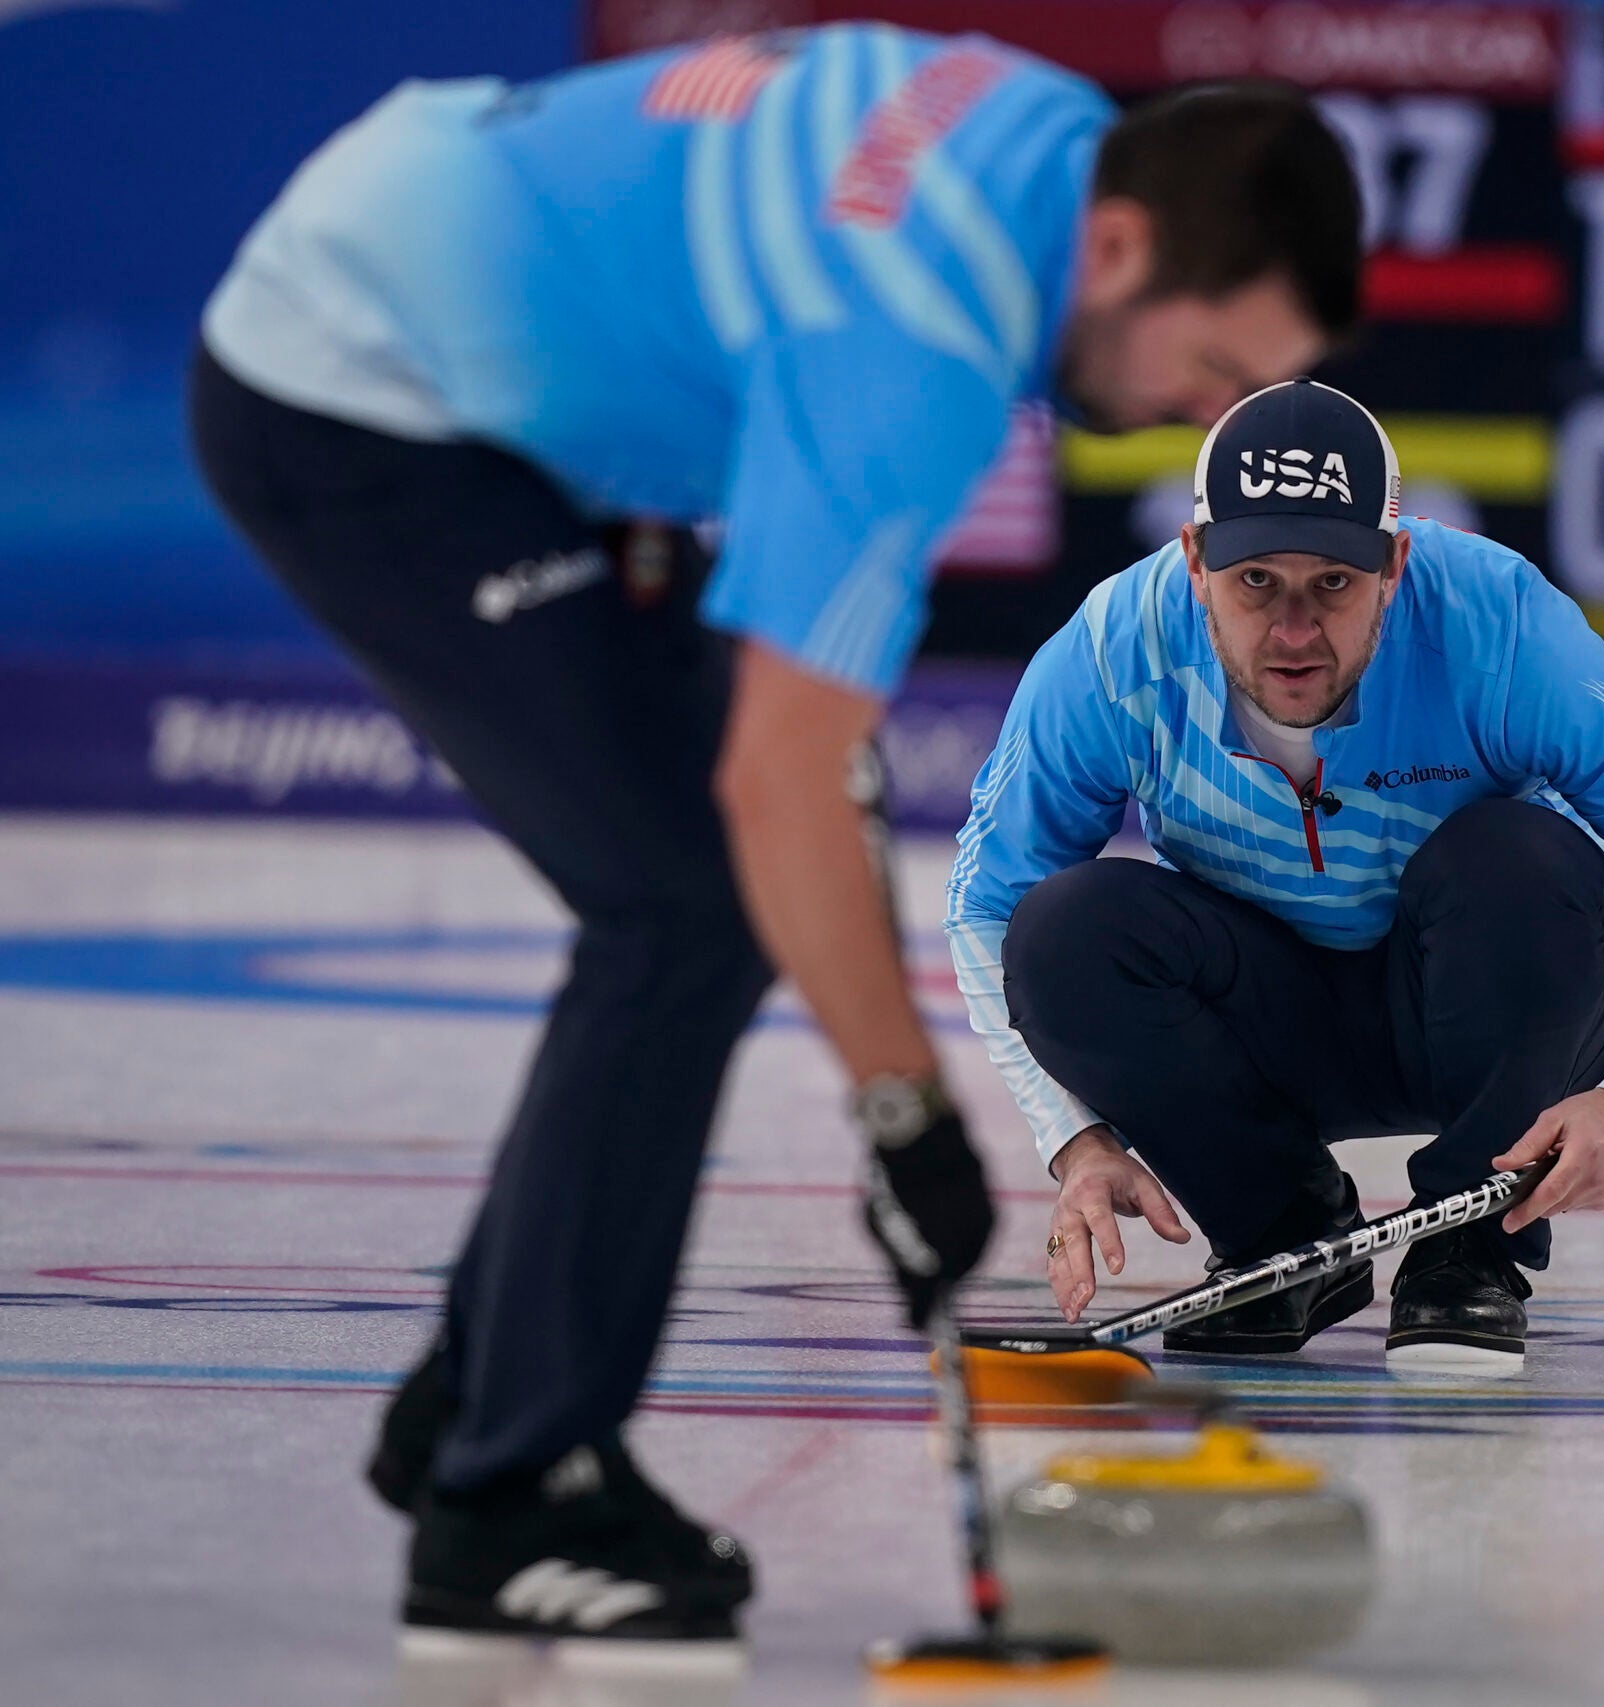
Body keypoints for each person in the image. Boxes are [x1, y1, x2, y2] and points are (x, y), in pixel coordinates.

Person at [189, 23, 1362, 1653]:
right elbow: (777, 783)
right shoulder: (921, 344)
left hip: (482, 296)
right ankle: (504, 1495)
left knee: (701, 899)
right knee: (678, 906)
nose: (1203, 425)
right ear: (1119, 248)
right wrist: (907, 1118)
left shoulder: (1054, 133)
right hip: (355, 386)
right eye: (1215, 372)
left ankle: (474, 1394)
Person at [944, 379, 1604, 1377]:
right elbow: (984, 902)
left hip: (1497, 1017)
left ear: (1396, 564)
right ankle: (1279, 1231)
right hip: (1267, 1031)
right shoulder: (1114, 649)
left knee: (1521, 859)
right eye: (1255, 583)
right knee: (1062, 931)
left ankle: (1467, 1254)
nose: (1293, 631)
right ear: (1193, 563)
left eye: (1333, 585)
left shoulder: (1500, 625)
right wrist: (1073, 1137)